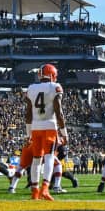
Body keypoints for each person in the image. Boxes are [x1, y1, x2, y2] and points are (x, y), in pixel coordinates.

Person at [25, 63, 68, 201]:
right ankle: (45, 188)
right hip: (49, 125)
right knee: (49, 158)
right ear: (53, 75)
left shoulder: (31, 88)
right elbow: (58, 111)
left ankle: (34, 191)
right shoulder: (55, 87)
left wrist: (28, 133)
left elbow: (28, 114)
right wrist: (64, 132)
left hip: (35, 127)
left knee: (36, 160)